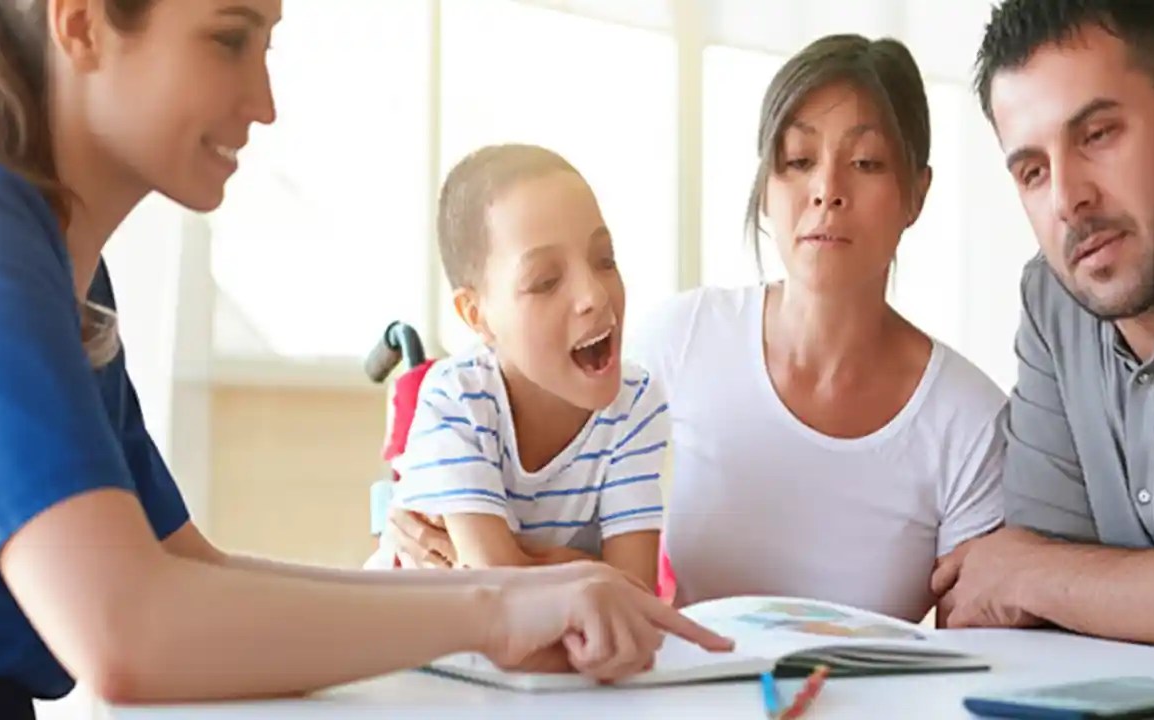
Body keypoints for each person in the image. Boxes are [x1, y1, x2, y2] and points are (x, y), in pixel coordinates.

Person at [0, 0, 730, 714]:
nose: (265, 100)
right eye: (230, 39)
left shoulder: (72, 279)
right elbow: (128, 630)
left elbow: (182, 566)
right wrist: (495, 606)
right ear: (80, 24)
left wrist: (492, 597)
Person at [388, 34, 1009, 626]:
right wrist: (407, 513)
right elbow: (526, 398)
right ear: (766, 189)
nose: (827, 191)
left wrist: (529, 566)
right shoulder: (681, 339)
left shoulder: (970, 421)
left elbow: (967, 659)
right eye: (796, 160)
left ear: (916, 194)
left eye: (867, 162)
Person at [934, 0, 1154, 654]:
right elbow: (1038, 574)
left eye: (1098, 135)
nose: (1067, 199)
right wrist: (1048, 576)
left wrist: (1035, 575)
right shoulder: (1053, 300)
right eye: (1032, 171)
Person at [365, 145, 667, 592]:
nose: (595, 296)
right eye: (546, 281)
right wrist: (591, 571)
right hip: (415, 637)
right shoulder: (458, 399)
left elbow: (637, 591)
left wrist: (523, 563)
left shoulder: (635, 401)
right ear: (476, 315)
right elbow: (497, 590)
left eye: (604, 260)